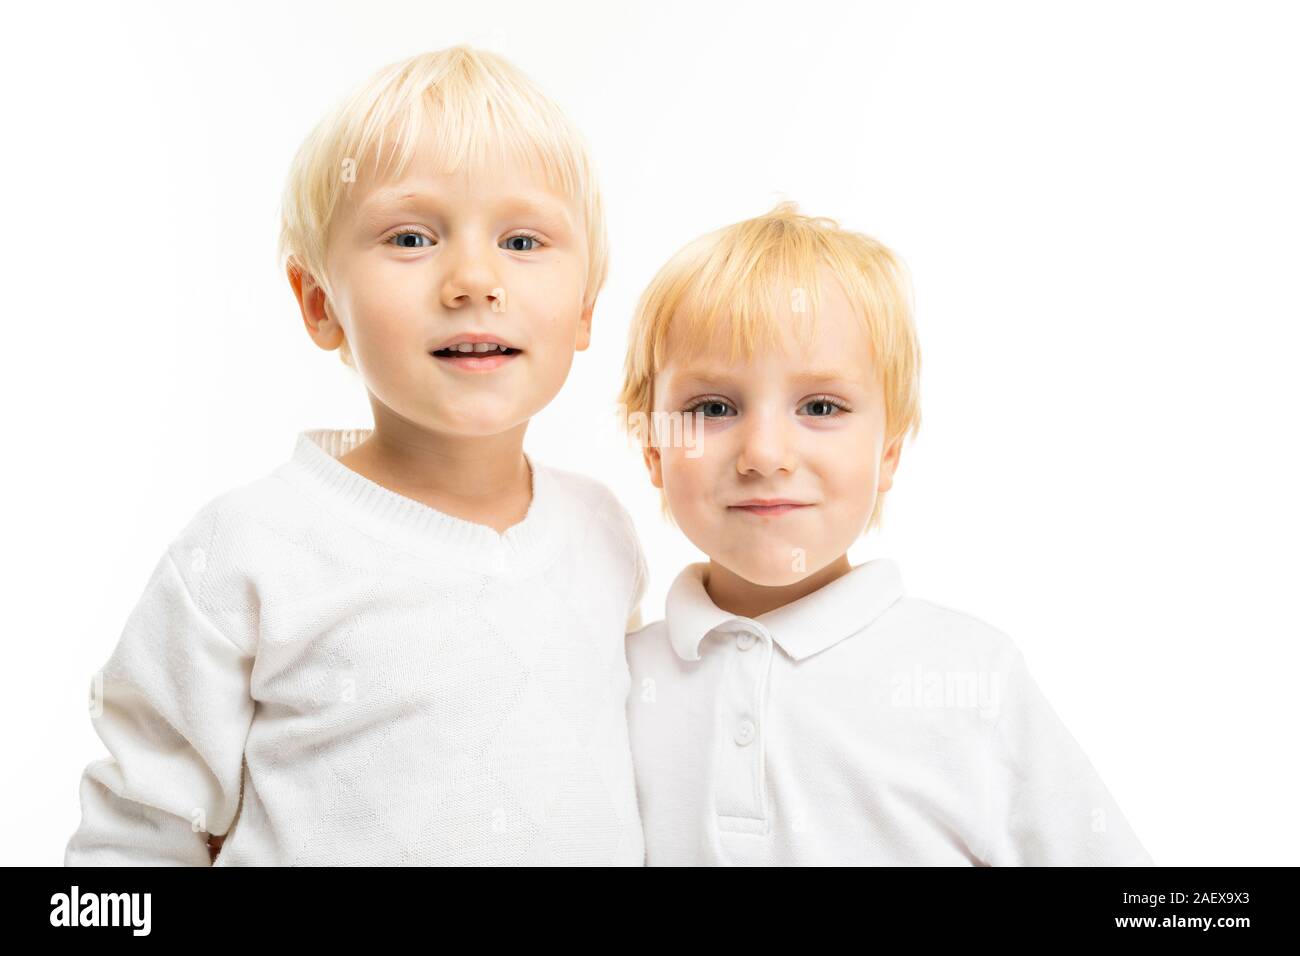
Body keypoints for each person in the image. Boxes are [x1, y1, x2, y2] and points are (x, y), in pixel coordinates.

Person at [65, 46, 647, 866]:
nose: (474, 280)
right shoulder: (247, 551)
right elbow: (135, 834)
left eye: (522, 240)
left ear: (586, 308)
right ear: (319, 303)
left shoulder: (604, 535)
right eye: (411, 236)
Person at [619, 202, 1153, 865]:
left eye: (820, 407)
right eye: (714, 408)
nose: (764, 453)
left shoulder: (967, 674)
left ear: (890, 451)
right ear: (651, 447)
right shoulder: (612, 681)